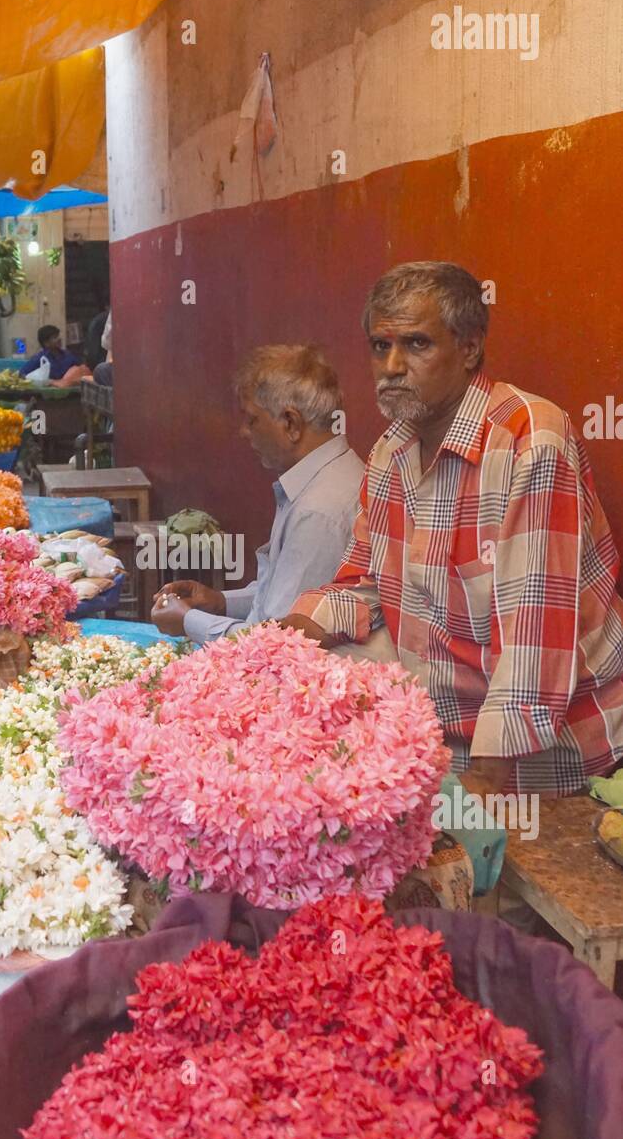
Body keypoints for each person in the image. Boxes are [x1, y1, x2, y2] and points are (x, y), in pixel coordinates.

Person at [282, 261, 623, 798]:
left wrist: (477, 790)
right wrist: (286, 642)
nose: (392, 366)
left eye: (416, 345)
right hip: (444, 744)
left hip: (548, 762)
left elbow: (533, 638)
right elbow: (365, 583)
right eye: (379, 346)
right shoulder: (391, 451)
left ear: (468, 350)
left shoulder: (530, 442)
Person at [151, 344, 365, 643]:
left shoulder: (319, 510)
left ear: (290, 424)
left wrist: (189, 620)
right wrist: (217, 601)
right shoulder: (315, 485)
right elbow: (279, 596)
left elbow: (279, 640)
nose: (245, 432)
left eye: (252, 419)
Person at [21, 325, 92, 386]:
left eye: (58, 336)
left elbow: (82, 368)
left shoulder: (68, 355)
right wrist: (45, 382)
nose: (59, 339)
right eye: (54, 337)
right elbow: (22, 374)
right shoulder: (40, 358)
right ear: (46, 343)